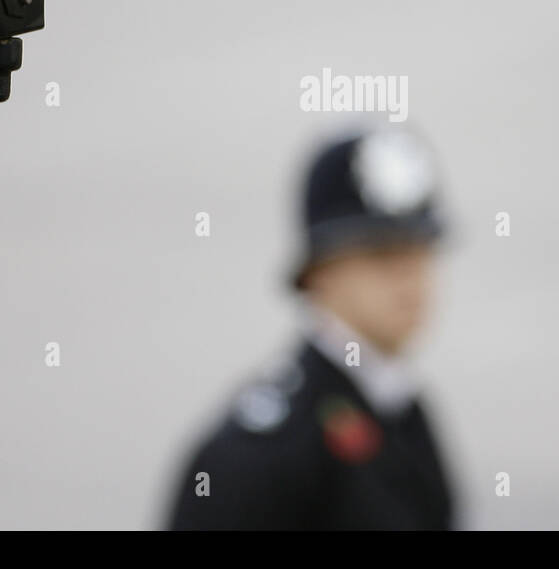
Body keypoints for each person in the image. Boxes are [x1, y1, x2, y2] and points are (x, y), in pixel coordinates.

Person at [166, 126, 456, 530]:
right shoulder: (266, 448)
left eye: (420, 249)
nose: (410, 278)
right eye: (380, 253)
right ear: (320, 273)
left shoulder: (403, 410)